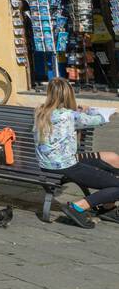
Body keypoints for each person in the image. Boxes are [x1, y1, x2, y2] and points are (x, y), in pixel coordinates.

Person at [35, 78, 119, 228]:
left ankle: (108, 208)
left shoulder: (40, 112)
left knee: (112, 158)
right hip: (66, 166)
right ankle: (77, 207)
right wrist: (89, 109)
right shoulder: (71, 116)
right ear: (69, 95)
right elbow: (101, 119)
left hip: (47, 164)